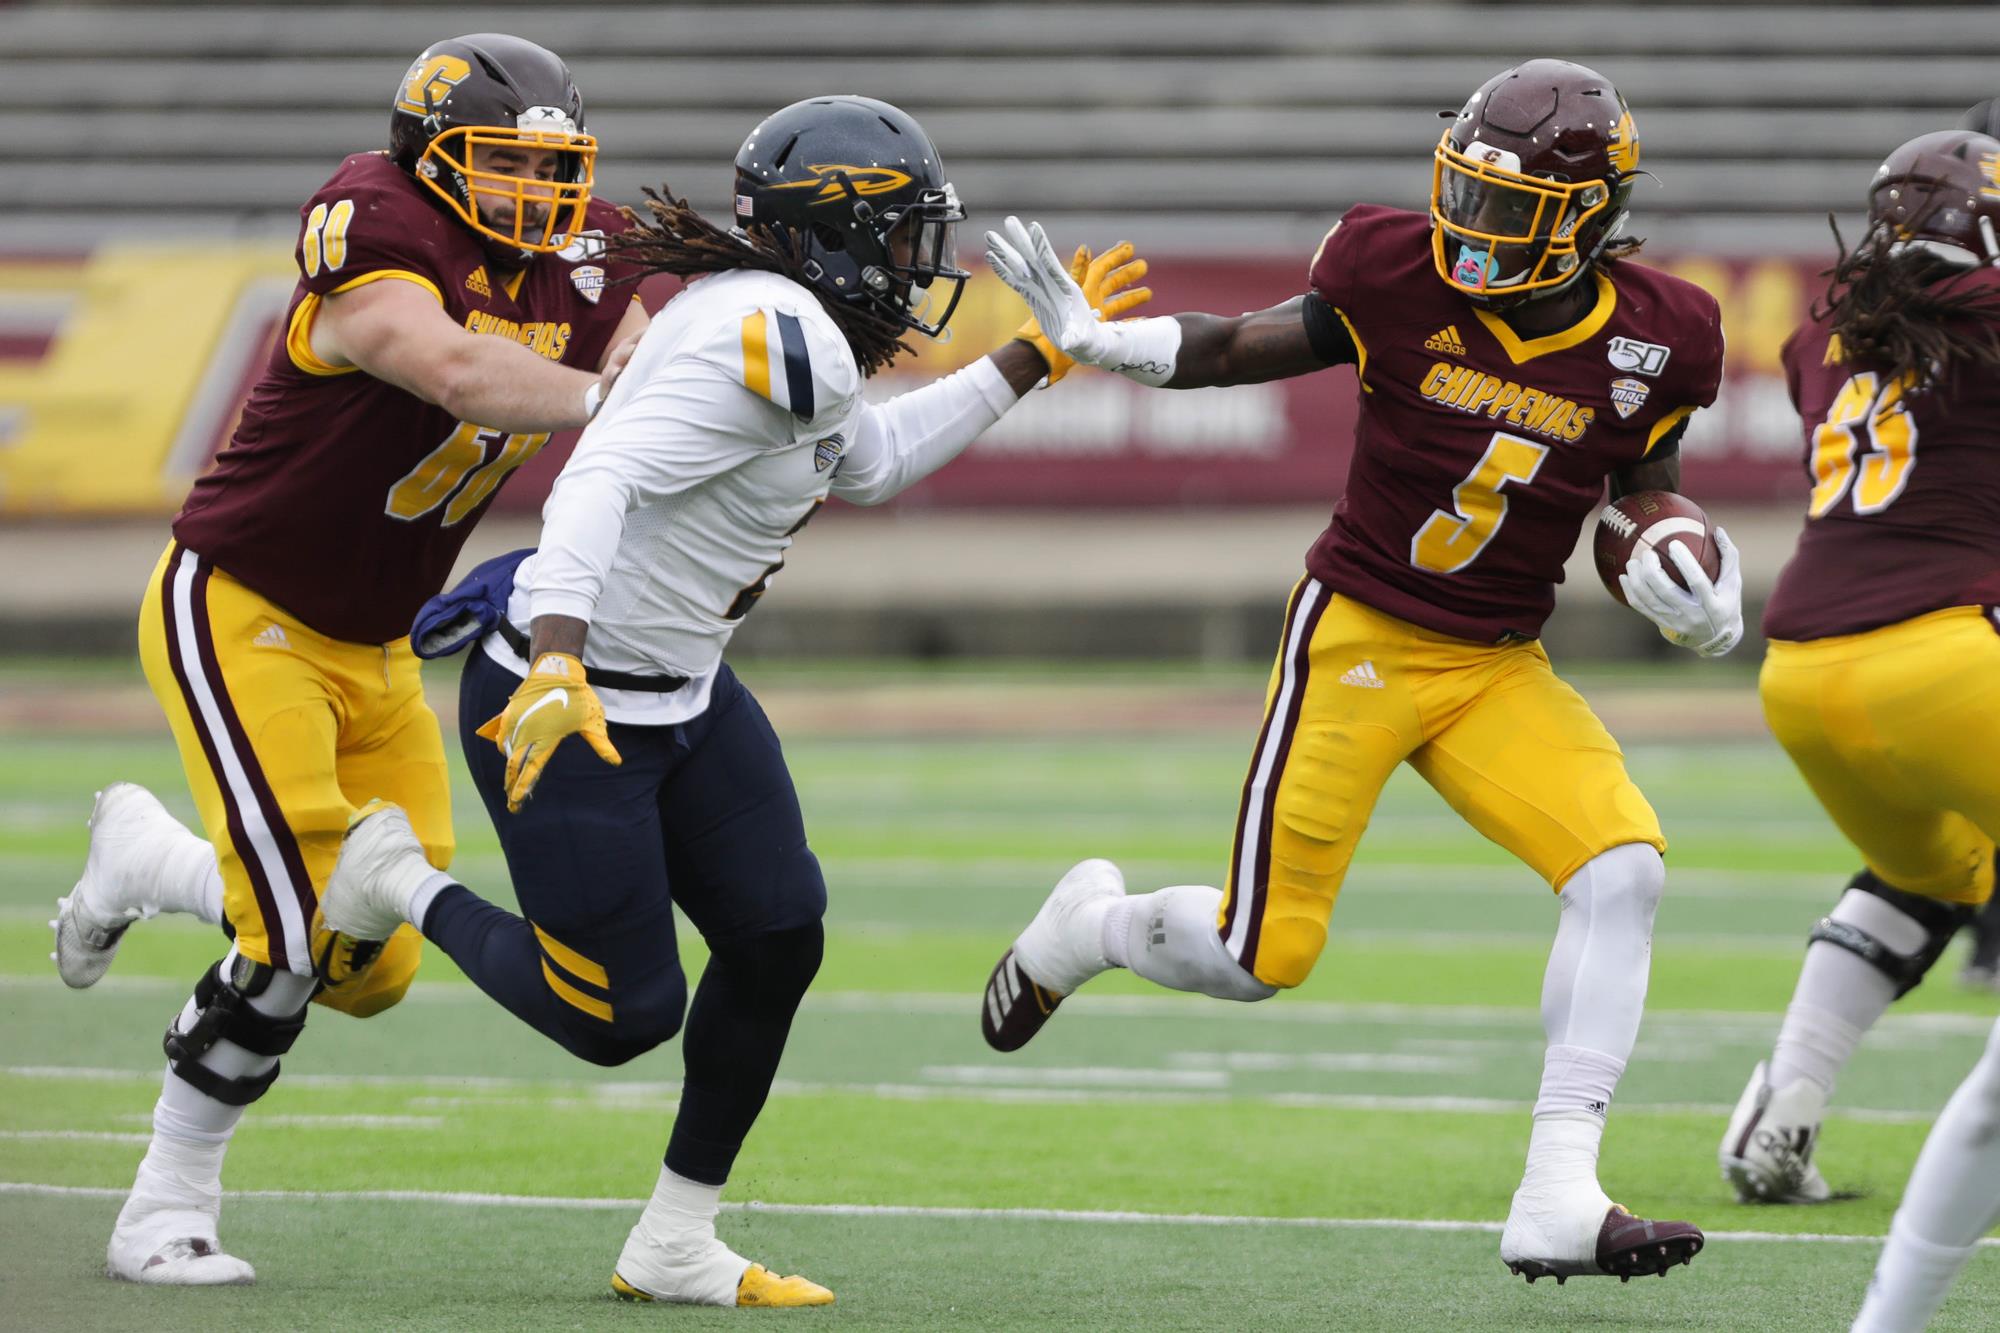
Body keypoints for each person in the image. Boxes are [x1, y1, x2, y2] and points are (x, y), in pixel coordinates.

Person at [315, 94, 1150, 1307]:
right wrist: (554, 654)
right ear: (834, 235)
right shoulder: (772, 331)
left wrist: (1036, 355)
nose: (920, 270)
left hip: (684, 691)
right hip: (568, 696)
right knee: (612, 1015)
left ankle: (672, 1240)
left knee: (774, 935)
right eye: (906, 239)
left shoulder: (788, 328)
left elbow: (864, 462)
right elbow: (594, 478)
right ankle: (393, 876)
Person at [979, 59, 1737, 1284]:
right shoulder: (1389, 270)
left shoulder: (1664, 333)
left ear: (1587, 217)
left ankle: (1556, 1191)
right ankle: (1091, 927)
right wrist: (1099, 343)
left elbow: (1643, 492)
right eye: (1464, 195)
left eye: (1509, 210)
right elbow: (1232, 345)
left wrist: (1699, 582)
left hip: (1495, 662)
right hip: (1360, 638)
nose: (1471, 231)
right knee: (1255, 959)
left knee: (1621, 867)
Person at [49, 34, 651, 1284]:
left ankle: (150, 857)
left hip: (381, 645)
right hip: (244, 609)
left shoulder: (596, 257)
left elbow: (662, 360)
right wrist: (613, 399)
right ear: (427, 161)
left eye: (552, 167)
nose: (535, 194)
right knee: (298, 932)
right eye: (500, 165)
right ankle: (163, 1208)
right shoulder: (374, 226)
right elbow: (451, 367)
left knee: (372, 965)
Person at [1717, 127, 2000, 1206]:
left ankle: (1779, 1105)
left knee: (1927, 876)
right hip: (1938, 657)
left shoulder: (1819, 332)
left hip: (1800, 671)